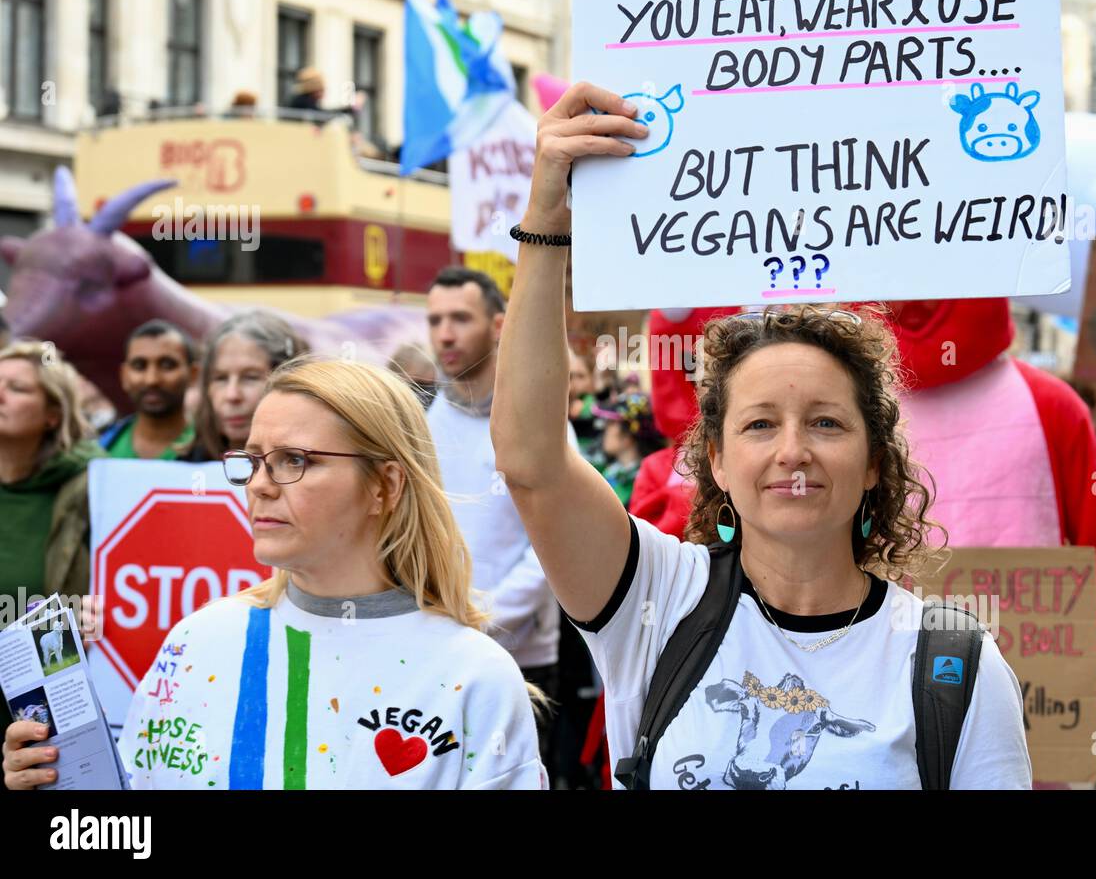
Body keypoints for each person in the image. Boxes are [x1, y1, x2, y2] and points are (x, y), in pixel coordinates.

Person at [489, 82, 1032, 790]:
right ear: (714, 459)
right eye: (760, 423)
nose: (792, 451)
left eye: (827, 422)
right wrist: (547, 222)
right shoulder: (657, 600)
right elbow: (532, 465)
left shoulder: (953, 664)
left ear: (874, 461)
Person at [3, 358, 545, 790]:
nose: (259, 484)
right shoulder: (195, 642)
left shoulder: (474, 676)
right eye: (254, 459)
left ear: (386, 485)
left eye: (294, 461)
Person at [423, 267, 563, 773]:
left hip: (522, 657)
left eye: (460, 318)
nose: (444, 333)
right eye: (435, 319)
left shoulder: (539, 419)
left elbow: (553, 536)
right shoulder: (414, 425)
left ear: (499, 324)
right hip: (431, 647)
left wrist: (486, 617)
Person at [0, 341, 104, 745]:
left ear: (52, 415)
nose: (0, 394)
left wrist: (92, 620)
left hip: (42, 722)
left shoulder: (94, 489)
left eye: (17, 388)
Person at [188, 312, 308, 460]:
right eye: (221, 378)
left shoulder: (313, 471)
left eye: (250, 377)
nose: (232, 395)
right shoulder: (183, 468)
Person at [99, 320, 199, 460]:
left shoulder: (213, 450)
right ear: (124, 376)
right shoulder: (101, 451)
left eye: (167, 365)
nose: (152, 380)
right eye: (140, 366)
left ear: (193, 375)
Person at [593, 390, 664, 506]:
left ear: (628, 435)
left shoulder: (644, 482)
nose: (605, 429)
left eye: (610, 423)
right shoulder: (608, 472)